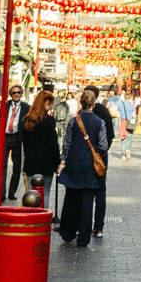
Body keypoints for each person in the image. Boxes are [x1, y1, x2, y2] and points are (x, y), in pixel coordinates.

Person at [57, 89, 108, 250]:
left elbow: (66, 144)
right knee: (87, 203)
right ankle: (83, 238)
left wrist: (63, 162)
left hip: (74, 165)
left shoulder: (74, 121)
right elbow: (104, 145)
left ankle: (68, 232)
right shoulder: (100, 122)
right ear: (93, 104)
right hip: (90, 167)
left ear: (81, 103)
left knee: (71, 200)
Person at [84, 84, 114, 237]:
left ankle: (85, 225)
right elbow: (110, 135)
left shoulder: (80, 114)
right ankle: (99, 227)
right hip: (101, 157)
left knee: (87, 191)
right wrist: (103, 152)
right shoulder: (104, 112)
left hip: (86, 156)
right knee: (100, 192)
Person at [22, 90, 60, 208]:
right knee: (45, 194)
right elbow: (54, 144)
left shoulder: (27, 120)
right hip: (46, 163)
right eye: (51, 103)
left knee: (31, 194)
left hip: (31, 162)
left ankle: (31, 220)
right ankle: (43, 221)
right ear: (46, 102)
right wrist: (58, 162)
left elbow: (24, 143)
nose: (51, 105)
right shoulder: (49, 121)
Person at [0, 84, 29, 201]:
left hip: (17, 137)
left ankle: (12, 192)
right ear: (10, 95)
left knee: (17, 167)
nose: (16, 94)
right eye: (14, 93)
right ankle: (1, 193)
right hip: (5, 137)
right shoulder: (5, 106)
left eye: (18, 92)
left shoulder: (26, 107)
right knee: (3, 166)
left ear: (21, 94)